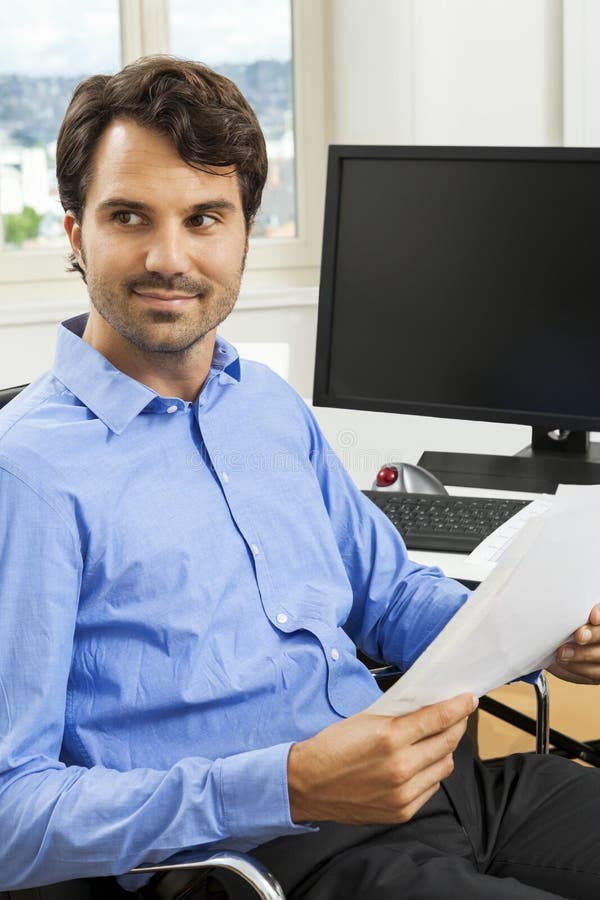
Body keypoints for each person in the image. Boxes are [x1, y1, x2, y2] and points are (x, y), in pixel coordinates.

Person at [0, 55, 599, 900]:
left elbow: (388, 599)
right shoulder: (26, 475)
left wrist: (546, 636)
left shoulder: (266, 408)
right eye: (130, 216)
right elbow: (7, 810)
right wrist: (288, 784)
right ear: (75, 234)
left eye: (205, 218)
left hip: (443, 794)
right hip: (270, 862)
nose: (169, 256)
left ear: (247, 229)